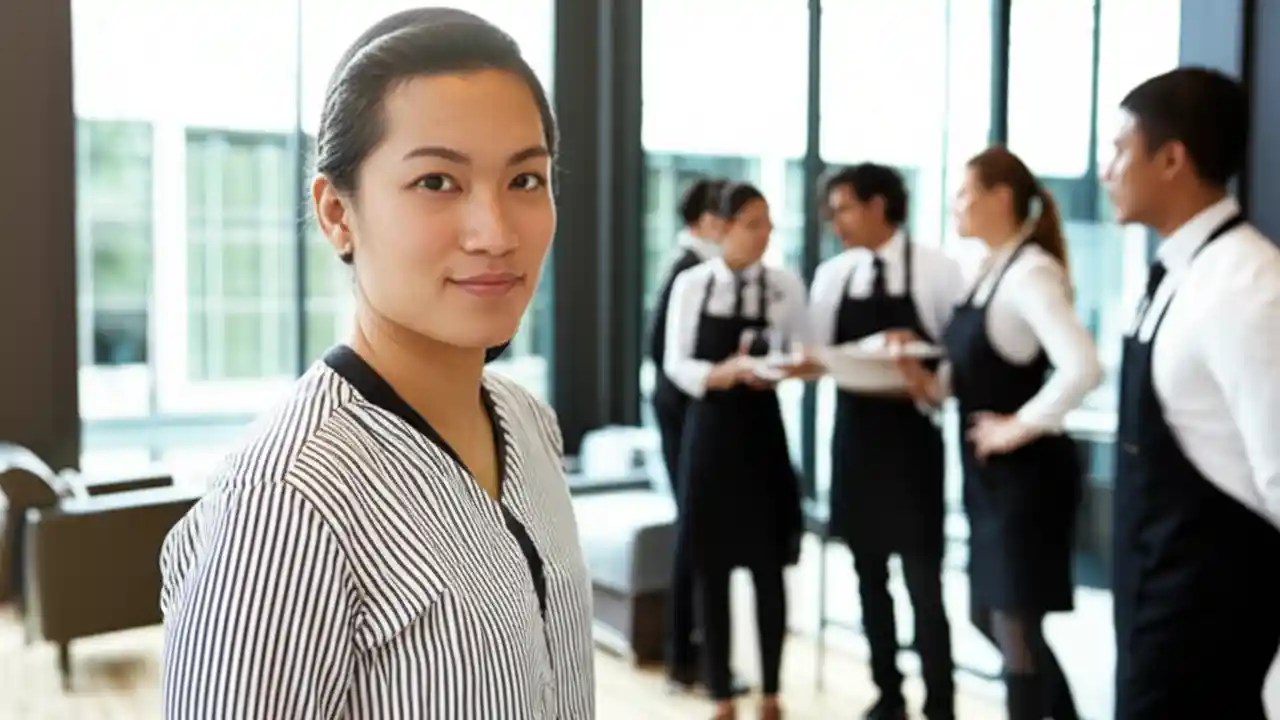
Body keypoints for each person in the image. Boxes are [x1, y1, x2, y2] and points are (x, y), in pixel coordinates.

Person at [158, 9, 594, 719]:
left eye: (525, 180)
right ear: (336, 213)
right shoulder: (286, 502)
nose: (495, 233)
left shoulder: (528, 422)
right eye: (436, 182)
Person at [897, 146, 1101, 720]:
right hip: (989, 479)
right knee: (989, 617)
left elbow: (1084, 366)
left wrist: (1016, 429)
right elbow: (957, 387)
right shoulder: (985, 272)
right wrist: (917, 378)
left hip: (1027, 480)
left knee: (1012, 625)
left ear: (1001, 198)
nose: (955, 204)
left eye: (965, 192)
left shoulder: (1031, 273)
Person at [1103, 67, 1280, 720]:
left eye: (1120, 149)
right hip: (1154, 611)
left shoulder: (1248, 286)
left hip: (1215, 633)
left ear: (1172, 159)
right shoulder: (1173, 275)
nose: (1106, 170)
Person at [809, 163, 962, 720]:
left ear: (877, 206)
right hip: (854, 439)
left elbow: (959, 360)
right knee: (868, 576)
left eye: (845, 207)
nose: (836, 220)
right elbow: (817, 352)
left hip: (913, 441)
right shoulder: (833, 276)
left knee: (924, 582)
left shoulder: (940, 271)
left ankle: (941, 702)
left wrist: (917, 360)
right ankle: (888, 694)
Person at [663, 182, 810, 720]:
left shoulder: (785, 285)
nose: (764, 234)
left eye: (768, 223)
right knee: (712, 565)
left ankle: (772, 691)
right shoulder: (693, 285)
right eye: (753, 223)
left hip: (764, 432)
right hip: (711, 435)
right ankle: (722, 692)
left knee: (770, 565)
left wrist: (786, 368)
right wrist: (720, 373)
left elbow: (803, 350)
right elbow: (675, 363)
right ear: (722, 228)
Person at [648, 177, 739, 692]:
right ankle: (684, 655)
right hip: (685, 420)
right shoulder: (692, 272)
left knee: (696, 532)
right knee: (696, 534)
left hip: (687, 420)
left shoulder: (691, 268)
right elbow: (665, 359)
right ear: (707, 222)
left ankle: (688, 653)